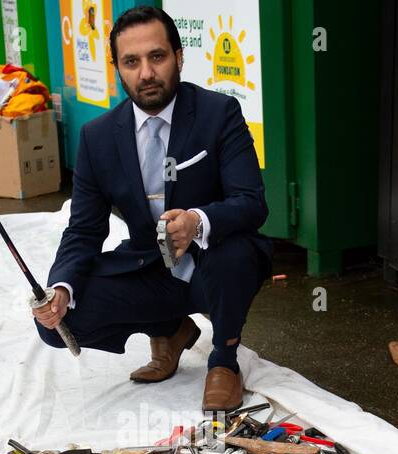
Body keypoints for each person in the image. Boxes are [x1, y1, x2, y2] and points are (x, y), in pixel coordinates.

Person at [33, 5, 272, 413]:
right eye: (132, 61)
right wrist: (61, 288)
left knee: (235, 254)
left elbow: (251, 203)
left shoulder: (219, 113)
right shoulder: (98, 137)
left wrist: (198, 221)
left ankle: (224, 361)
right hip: (151, 268)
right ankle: (169, 329)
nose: (146, 73)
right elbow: (84, 231)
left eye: (157, 57)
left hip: (214, 262)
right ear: (117, 69)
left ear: (179, 57)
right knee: (59, 324)